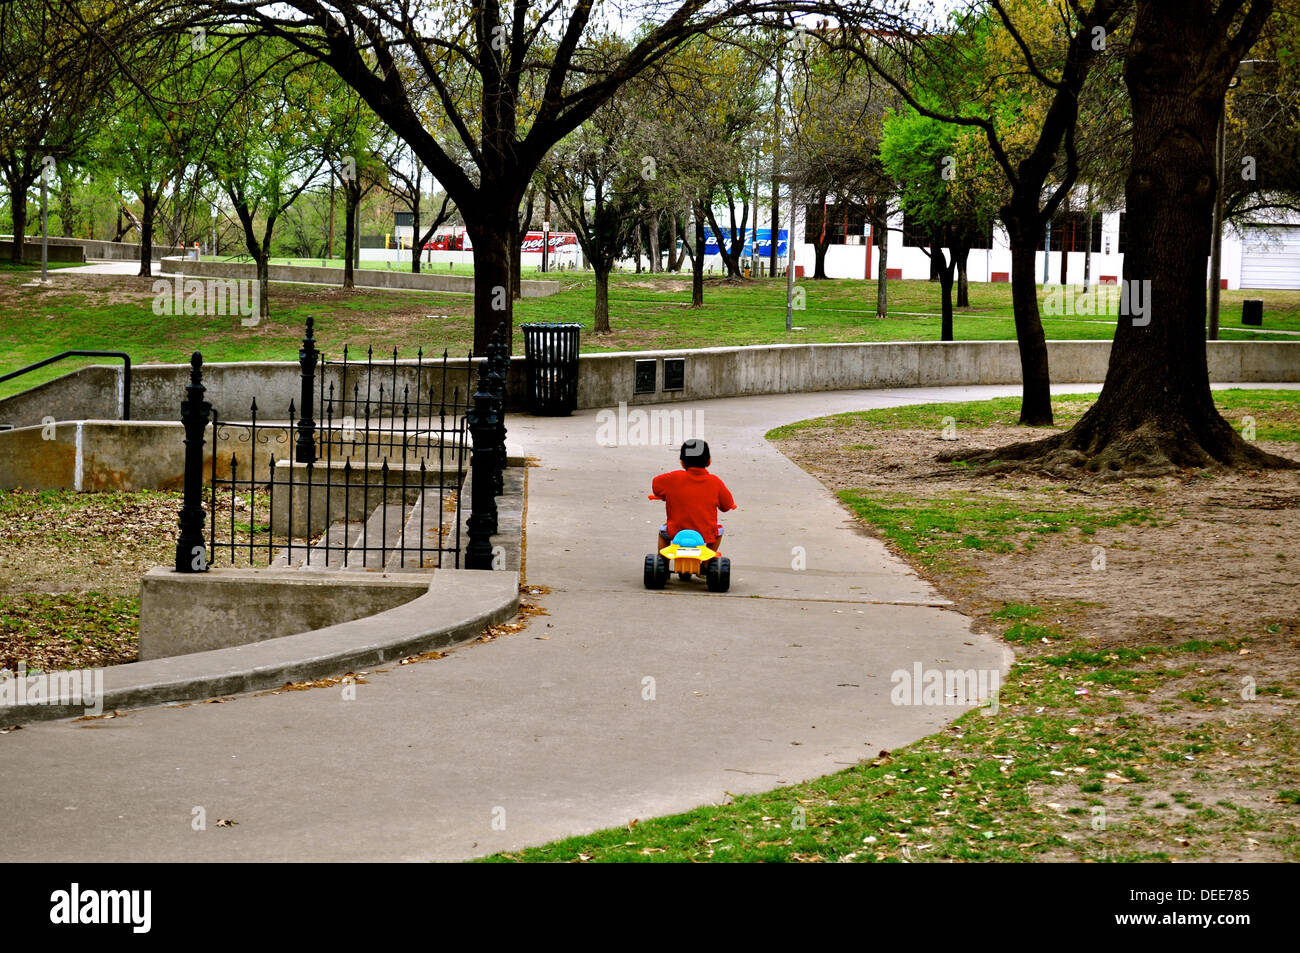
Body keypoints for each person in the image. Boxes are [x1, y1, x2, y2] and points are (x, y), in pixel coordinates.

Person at [648, 439, 736, 555]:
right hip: (705, 533)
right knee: (719, 530)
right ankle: (707, 559)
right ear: (709, 461)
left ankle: (663, 561)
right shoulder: (715, 482)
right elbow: (726, 506)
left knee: (663, 533)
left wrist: (666, 495)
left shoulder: (672, 478)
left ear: (682, 463)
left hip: (675, 532)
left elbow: (656, 485)